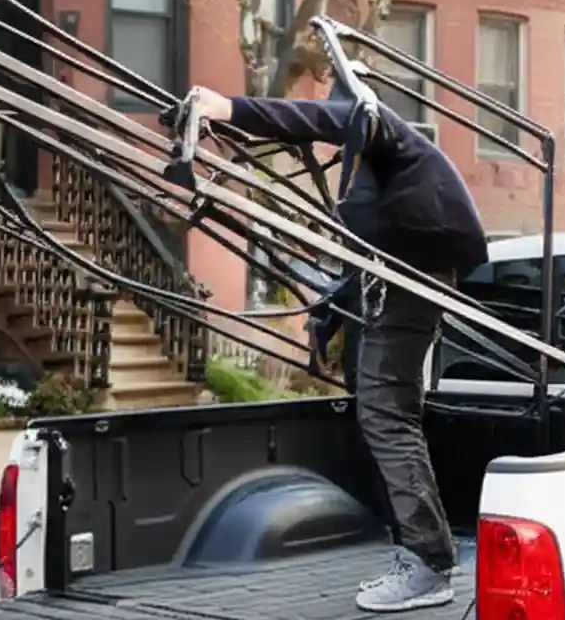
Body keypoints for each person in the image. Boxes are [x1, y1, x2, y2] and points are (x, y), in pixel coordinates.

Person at [176, 84, 489, 613]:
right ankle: (422, 555)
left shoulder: (378, 125)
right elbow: (357, 265)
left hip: (413, 272)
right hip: (397, 273)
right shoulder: (372, 183)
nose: (327, 137)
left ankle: (429, 564)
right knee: (381, 410)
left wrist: (228, 108)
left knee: (388, 414)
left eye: (331, 107)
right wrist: (322, 323)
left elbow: (324, 116)